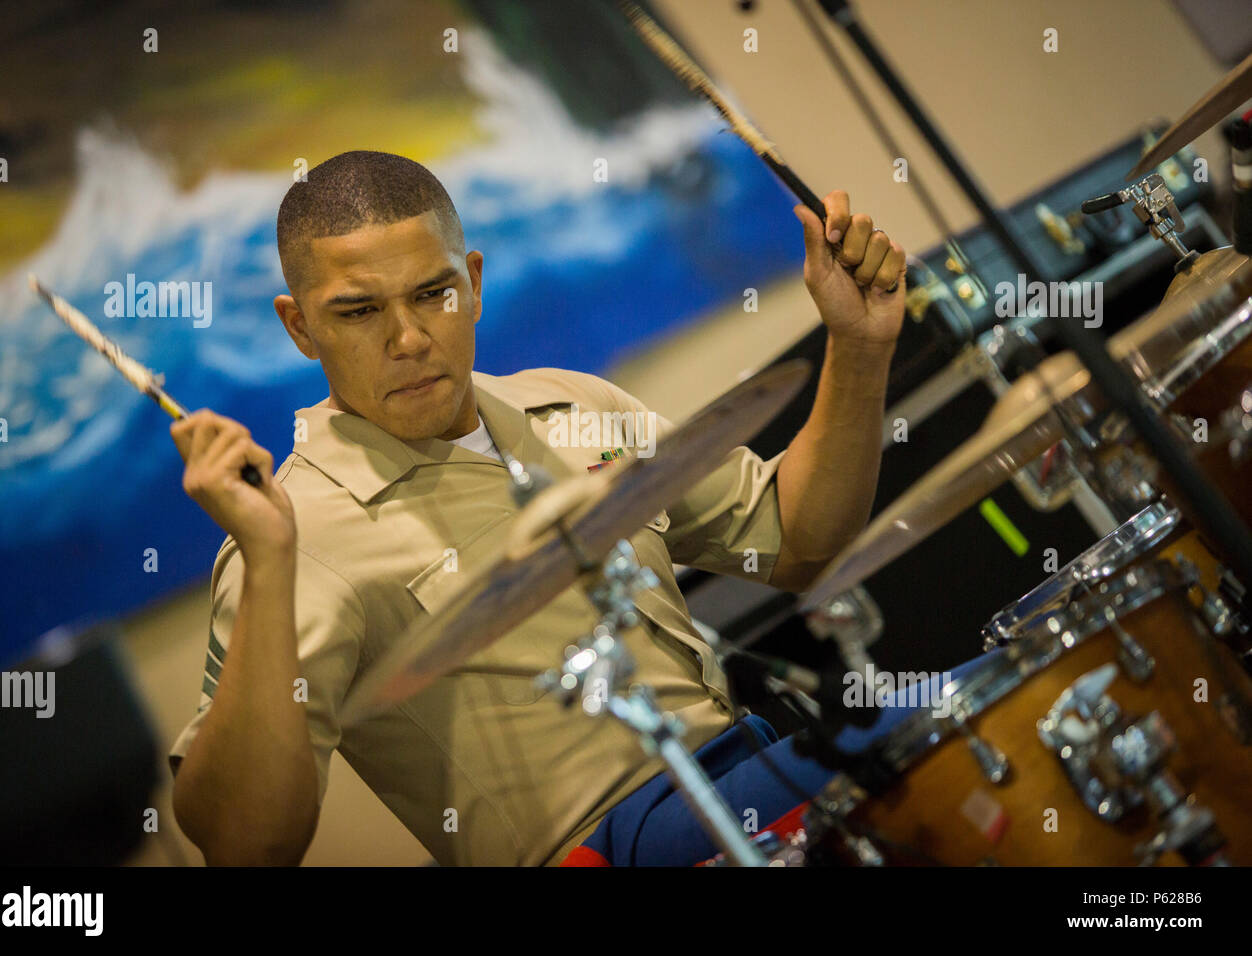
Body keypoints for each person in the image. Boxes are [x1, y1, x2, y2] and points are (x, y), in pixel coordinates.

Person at [168, 150, 908, 866]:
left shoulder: (571, 404)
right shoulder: (296, 536)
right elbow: (245, 847)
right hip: (606, 843)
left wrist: (859, 345)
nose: (409, 338)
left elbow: (794, 541)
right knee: (931, 716)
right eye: (359, 311)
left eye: (434, 293)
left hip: (747, 766)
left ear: (475, 281)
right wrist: (268, 566)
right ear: (300, 327)